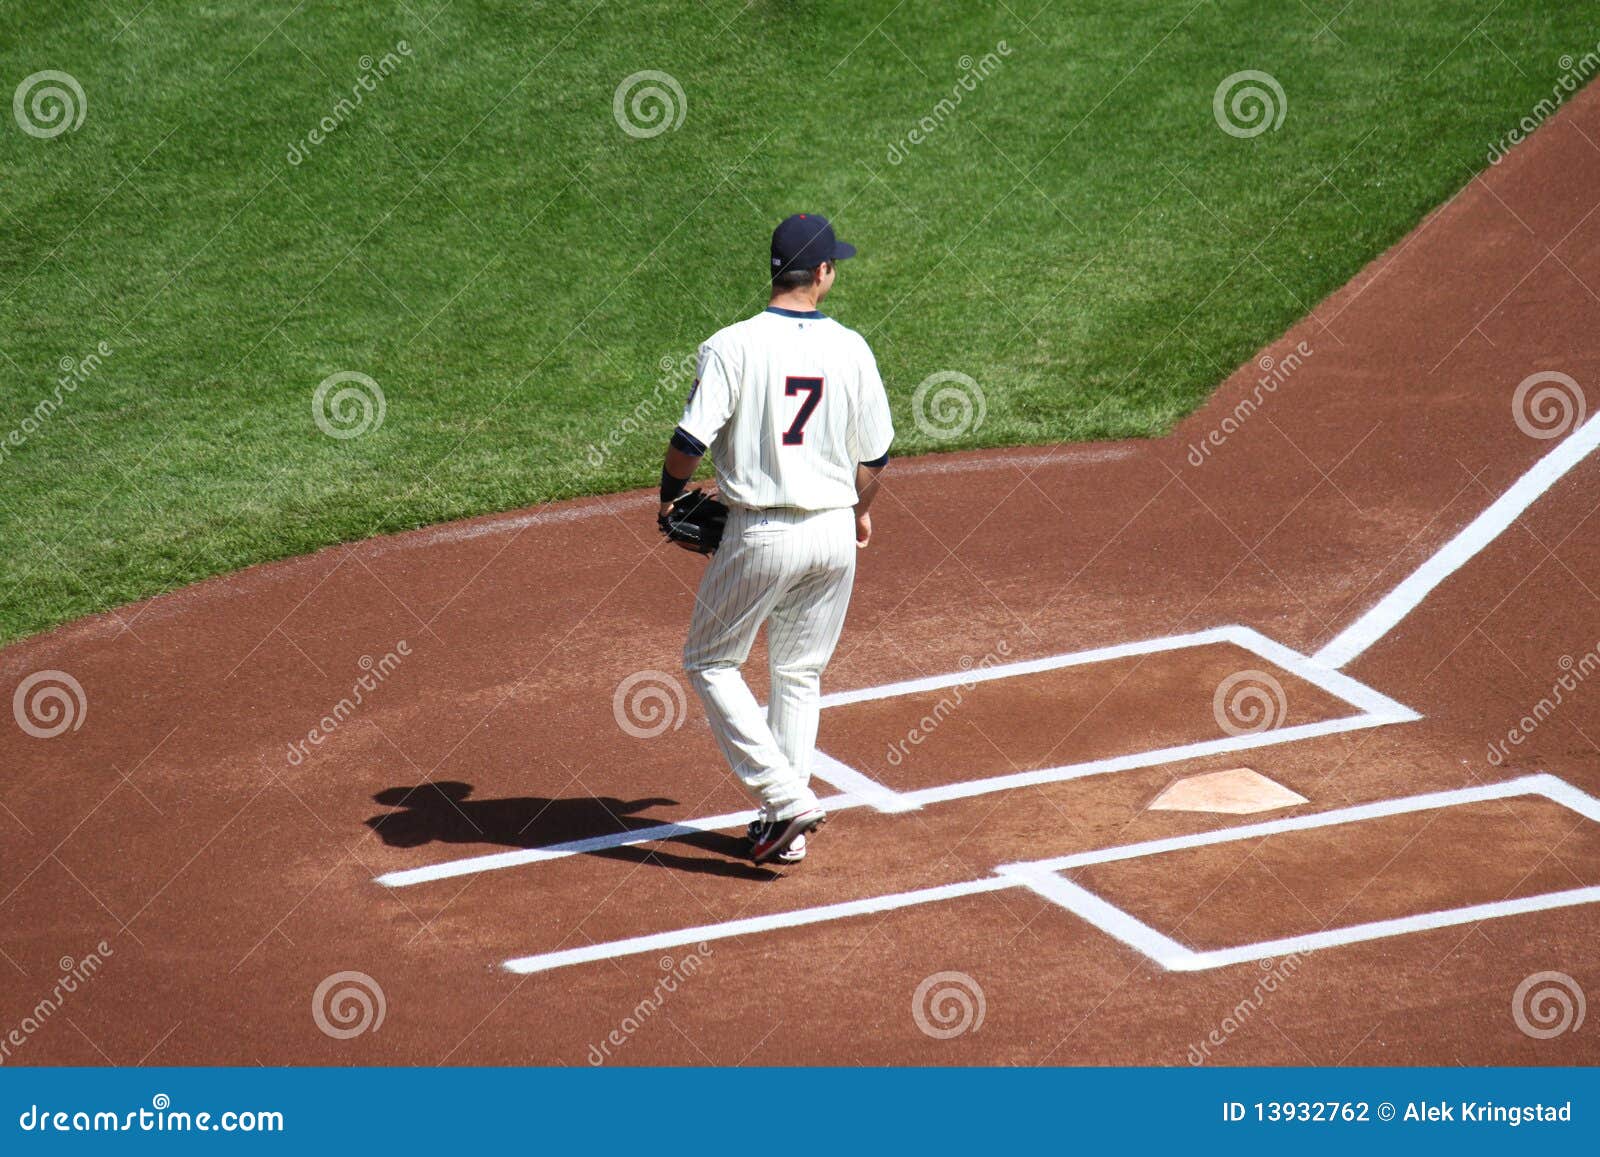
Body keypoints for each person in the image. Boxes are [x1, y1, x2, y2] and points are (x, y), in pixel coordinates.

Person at [657, 214, 894, 864]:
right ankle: (781, 825)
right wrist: (858, 512)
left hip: (762, 531)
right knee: (798, 671)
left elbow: (688, 442)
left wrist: (669, 494)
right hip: (833, 534)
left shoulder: (731, 345)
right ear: (822, 273)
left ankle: (785, 799)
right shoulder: (852, 348)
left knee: (710, 660)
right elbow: (874, 456)